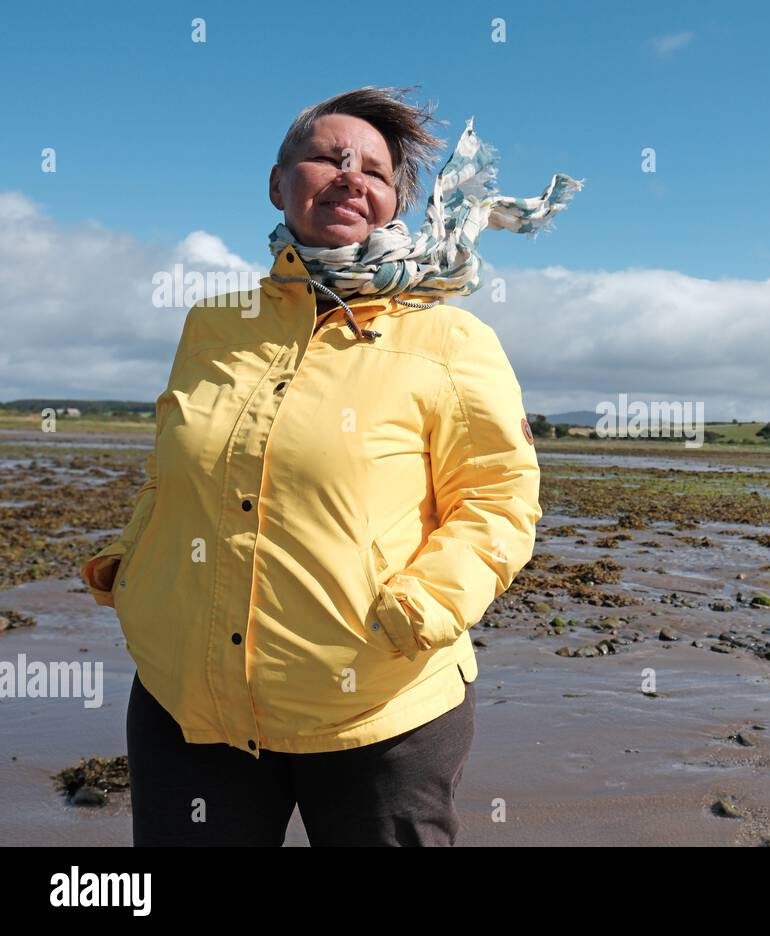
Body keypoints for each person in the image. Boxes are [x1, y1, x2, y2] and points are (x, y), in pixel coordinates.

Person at [79, 85, 582, 846]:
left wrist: (419, 608)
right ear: (278, 184)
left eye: (376, 172)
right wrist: (136, 559)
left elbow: (498, 501)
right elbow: (172, 471)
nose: (352, 177)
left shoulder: (449, 338)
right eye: (327, 158)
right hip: (190, 704)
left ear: (393, 204)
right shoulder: (214, 324)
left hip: (378, 709)